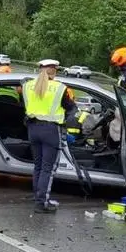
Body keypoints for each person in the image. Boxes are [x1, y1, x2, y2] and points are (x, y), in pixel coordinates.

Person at [21, 59, 78, 213]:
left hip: (33, 129)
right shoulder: (60, 88)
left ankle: (37, 196)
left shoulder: (27, 86)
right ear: (54, 70)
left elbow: (25, 105)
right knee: (48, 169)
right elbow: (71, 109)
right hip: (51, 131)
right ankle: (42, 203)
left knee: (38, 166)